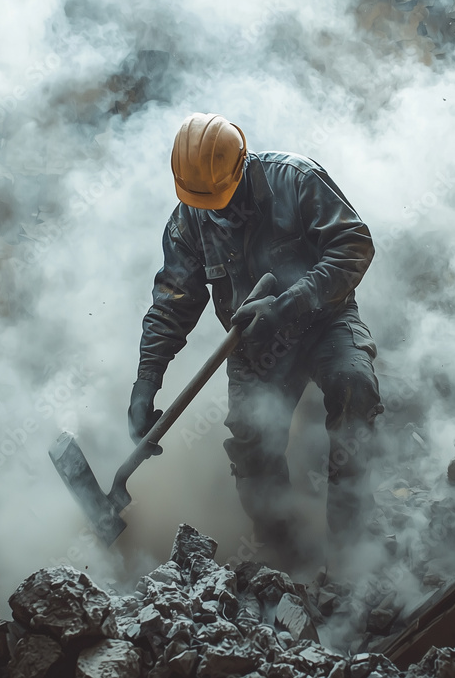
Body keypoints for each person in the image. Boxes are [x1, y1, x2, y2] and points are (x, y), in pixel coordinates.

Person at [128, 111, 383, 562]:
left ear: (241, 165)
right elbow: (172, 305)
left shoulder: (296, 180)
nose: (216, 212)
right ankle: (284, 560)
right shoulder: (189, 221)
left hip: (326, 322)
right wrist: (147, 381)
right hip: (255, 348)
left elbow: (354, 247)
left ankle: (350, 545)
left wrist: (289, 303)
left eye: (221, 200)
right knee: (250, 444)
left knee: (354, 387)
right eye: (204, 203)